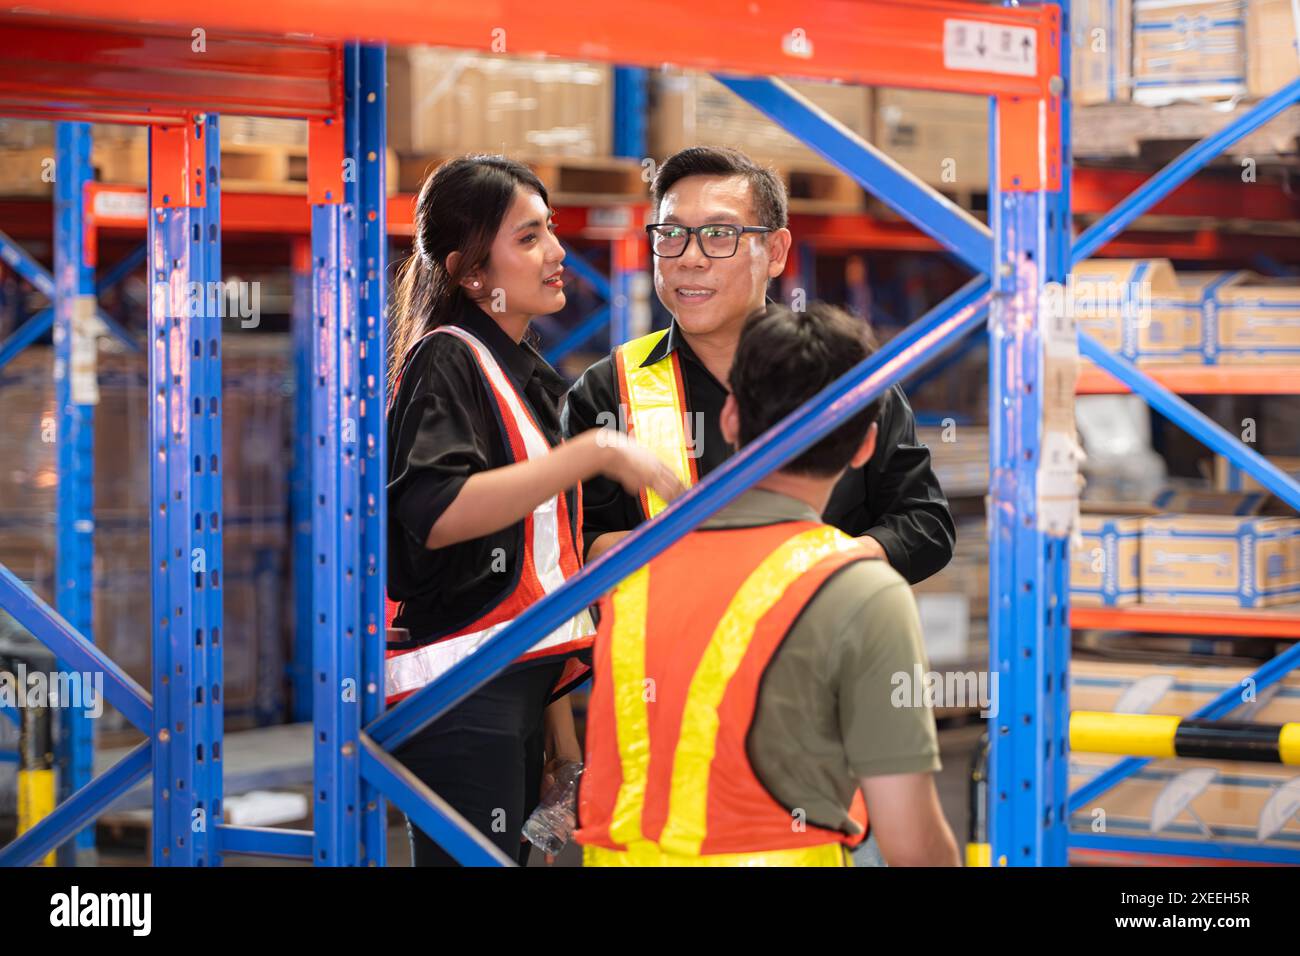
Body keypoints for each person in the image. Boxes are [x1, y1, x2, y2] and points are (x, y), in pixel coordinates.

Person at [575, 302, 960, 867]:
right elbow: (913, 843)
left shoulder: (632, 575)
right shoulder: (862, 594)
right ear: (864, 447)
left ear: (730, 420)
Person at [385, 155, 683, 866]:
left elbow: (534, 576)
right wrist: (592, 454)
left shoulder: (526, 375)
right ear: (469, 272)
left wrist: (561, 734)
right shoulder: (447, 360)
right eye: (528, 238)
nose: (557, 253)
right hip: (461, 697)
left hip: (513, 689)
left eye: (550, 230)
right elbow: (436, 510)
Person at [562, 145, 954, 584]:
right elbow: (570, 544)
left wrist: (812, 563)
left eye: (718, 234)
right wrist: (698, 555)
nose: (689, 258)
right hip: (666, 650)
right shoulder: (607, 389)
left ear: (775, 251)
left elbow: (925, 525)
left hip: (811, 641)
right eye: (671, 234)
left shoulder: (841, 373)